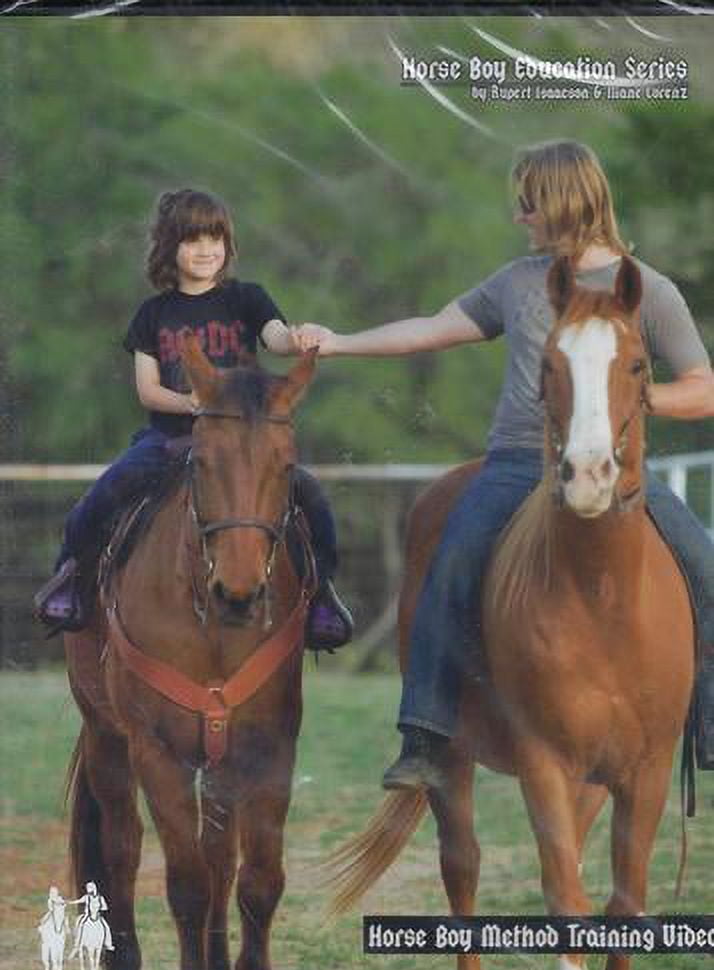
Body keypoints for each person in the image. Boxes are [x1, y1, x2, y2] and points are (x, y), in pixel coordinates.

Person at [292, 139, 714, 782]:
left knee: (705, 565)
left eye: (527, 204)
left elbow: (704, 386)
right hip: (521, 459)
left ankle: (707, 724)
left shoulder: (646, 290)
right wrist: (338, 342)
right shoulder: (516, 283)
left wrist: (627, 396)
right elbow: (430, 328)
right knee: (453, 558)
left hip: (614, 465)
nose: (520, 217)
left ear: (561, 201)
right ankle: (427, 736)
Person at [34, 188, 353, 652]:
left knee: (313, 498)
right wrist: (194, 405)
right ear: (169, 248)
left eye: (215, 238)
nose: (206, 250)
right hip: (171, 439)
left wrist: (298, 336)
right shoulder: (153, 314)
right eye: (192, 240)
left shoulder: (247, 298)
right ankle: (71, 580)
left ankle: (321, 596)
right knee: (103, 493)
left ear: (227, 244)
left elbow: (278, 339)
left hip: (243, 445)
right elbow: (147, 389)